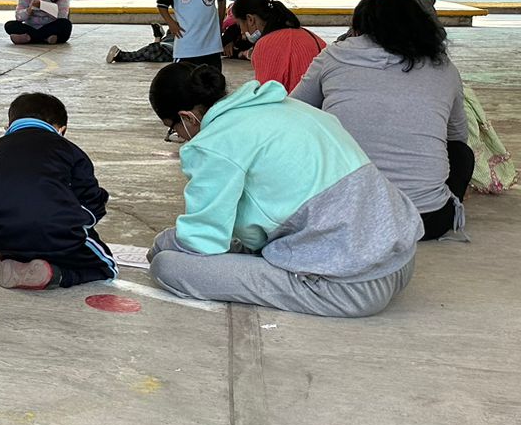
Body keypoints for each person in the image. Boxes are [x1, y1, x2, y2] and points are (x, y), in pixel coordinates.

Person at [146, 63, 420, 317]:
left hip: (350, 286)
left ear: (187, 118)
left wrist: (164, 245)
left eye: (174, 131)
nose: (179, 139)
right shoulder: (286, 106)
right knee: (179, 242)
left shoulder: (214, 142)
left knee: (168, 266)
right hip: (400, 262)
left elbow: (202, 243)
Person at [291, 0, 471, 241]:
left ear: (358, 26)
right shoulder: (444, 67)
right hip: (426, 220)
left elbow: (294, 111)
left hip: (343, 217)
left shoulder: (334, 56)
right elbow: (458, 135)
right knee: (463, 153)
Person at [0, 93, 115, 291]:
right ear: (61, 130)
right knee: (106, 267)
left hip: (4, 239)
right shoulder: (70, 150)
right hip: (56, 236)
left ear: (8, 127)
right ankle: (58, 275)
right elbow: (90, 203)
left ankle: (16, 261)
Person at [4, 0, 72, 45]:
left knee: (65, 24)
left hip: (51, 27)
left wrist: (44, 6)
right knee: (9, 25)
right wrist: (29, 10)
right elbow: (18, 17)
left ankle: (30, 38)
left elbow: (62, 16)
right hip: (31, 27)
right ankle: (45, 38)